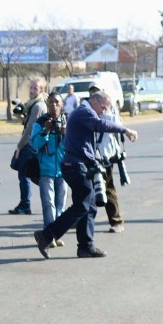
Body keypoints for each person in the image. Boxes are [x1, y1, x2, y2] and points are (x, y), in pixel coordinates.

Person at [34, 88, 138, 259]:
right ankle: (46, 235)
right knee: (83, 205)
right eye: (103, 108)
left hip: (80, 164)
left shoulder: (87, 112)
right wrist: (125, 130)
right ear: (95, 101)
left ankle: (85, 246)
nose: (104, 112)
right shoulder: (84, 111)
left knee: (89, 206)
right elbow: (100, 125)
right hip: (74, 165)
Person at [89, 86, 127, 234]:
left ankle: (116, 220)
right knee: (85, 190)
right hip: (89, 155)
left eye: (96, 93)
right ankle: (82, 218)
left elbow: (113, 128)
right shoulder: (86, 110)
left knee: (108, 188)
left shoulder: (108, 112)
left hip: (104, 156)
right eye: (92, 93)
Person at [30, 92, 68, 235]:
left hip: (64, 169)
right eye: (51, 102)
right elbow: (34, 144)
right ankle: (49, 233)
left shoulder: (67, 121)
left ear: (62, 104)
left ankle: (57, 233)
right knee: (48, 203)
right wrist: (46, 131)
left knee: (60, 205)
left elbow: (73, 145)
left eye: (57, 102)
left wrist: (66, 134)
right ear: (47, 104)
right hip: (46, 169)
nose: (54, 105)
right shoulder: (40, 123)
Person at [8, 78, 46, 215]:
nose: (32, 90)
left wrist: (19, 147)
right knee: (31, 174)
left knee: (25, 174)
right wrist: (21, 116)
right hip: (31, 143)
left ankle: (25, 204)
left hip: (30, 144)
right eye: (31, 88)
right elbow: (28, 122)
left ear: (41, 90)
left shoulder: (37, 106)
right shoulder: (33, 105)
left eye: (35, 88)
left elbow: (30, 129)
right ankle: (27, 202)